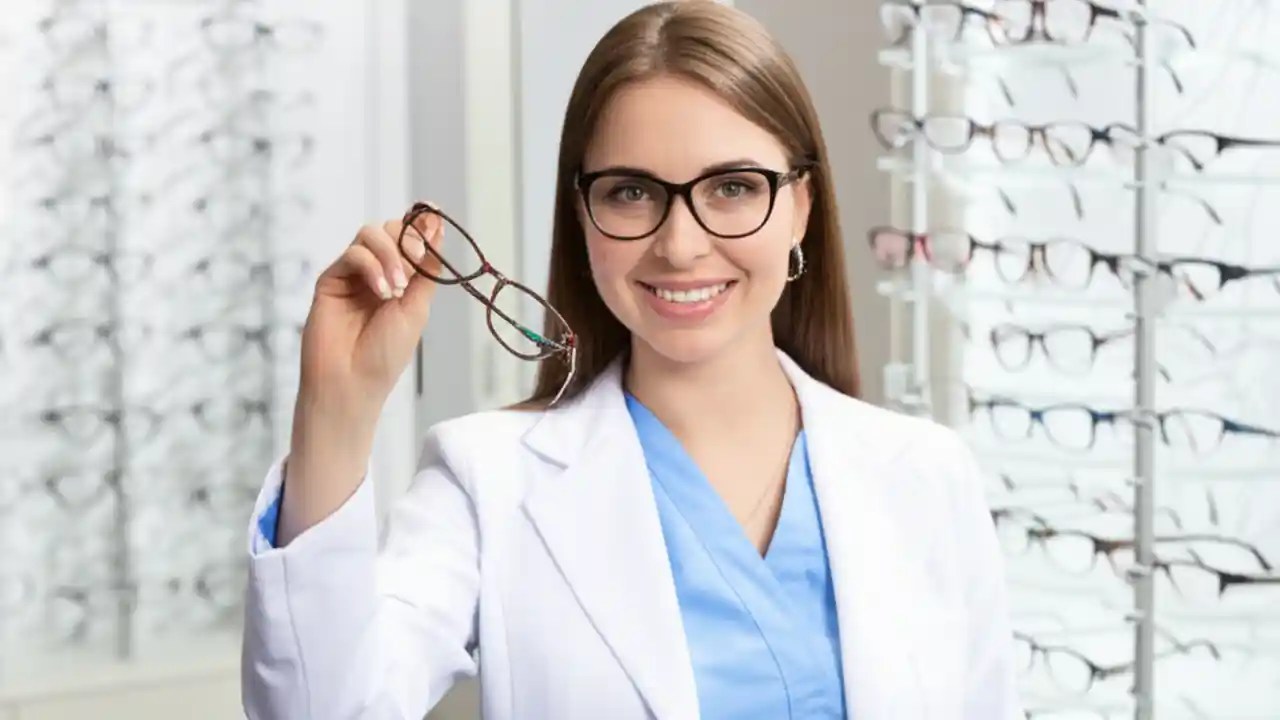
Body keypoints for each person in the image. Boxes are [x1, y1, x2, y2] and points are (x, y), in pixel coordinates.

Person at [240, 2, 1020, 719]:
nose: (679, 245)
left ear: (802, 208)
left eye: (734, 187)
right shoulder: (488, 480)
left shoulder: (926, 475)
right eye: (630, 194)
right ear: (581, 214)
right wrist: (336, 412)